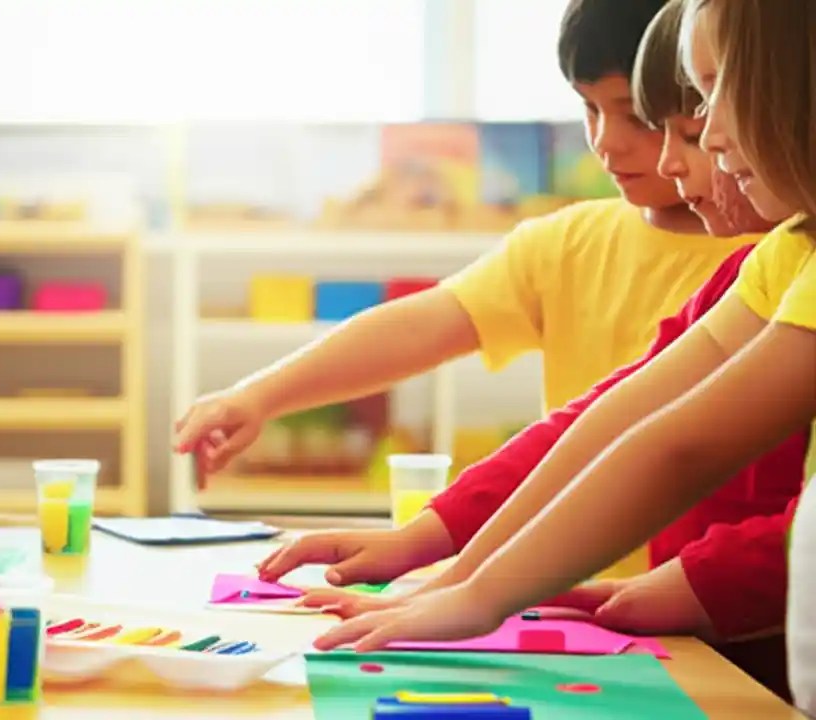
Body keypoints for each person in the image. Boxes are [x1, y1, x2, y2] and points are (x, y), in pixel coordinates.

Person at [260, 0, 806, 695]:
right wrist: (463, 580)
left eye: (696, 119)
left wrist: (478, 593)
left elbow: (680, 448)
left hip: (752, 646)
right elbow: (615, 418)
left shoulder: (778, 251)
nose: (692, 147)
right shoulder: (780, 258)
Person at [174, 0, 755, 580]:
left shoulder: (771, 257)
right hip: (564, 596)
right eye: (589, 109)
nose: (607, 143)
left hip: (700, 598)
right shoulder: (569, 242)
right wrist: (260, 396)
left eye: (638, 117)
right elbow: (421, 325)